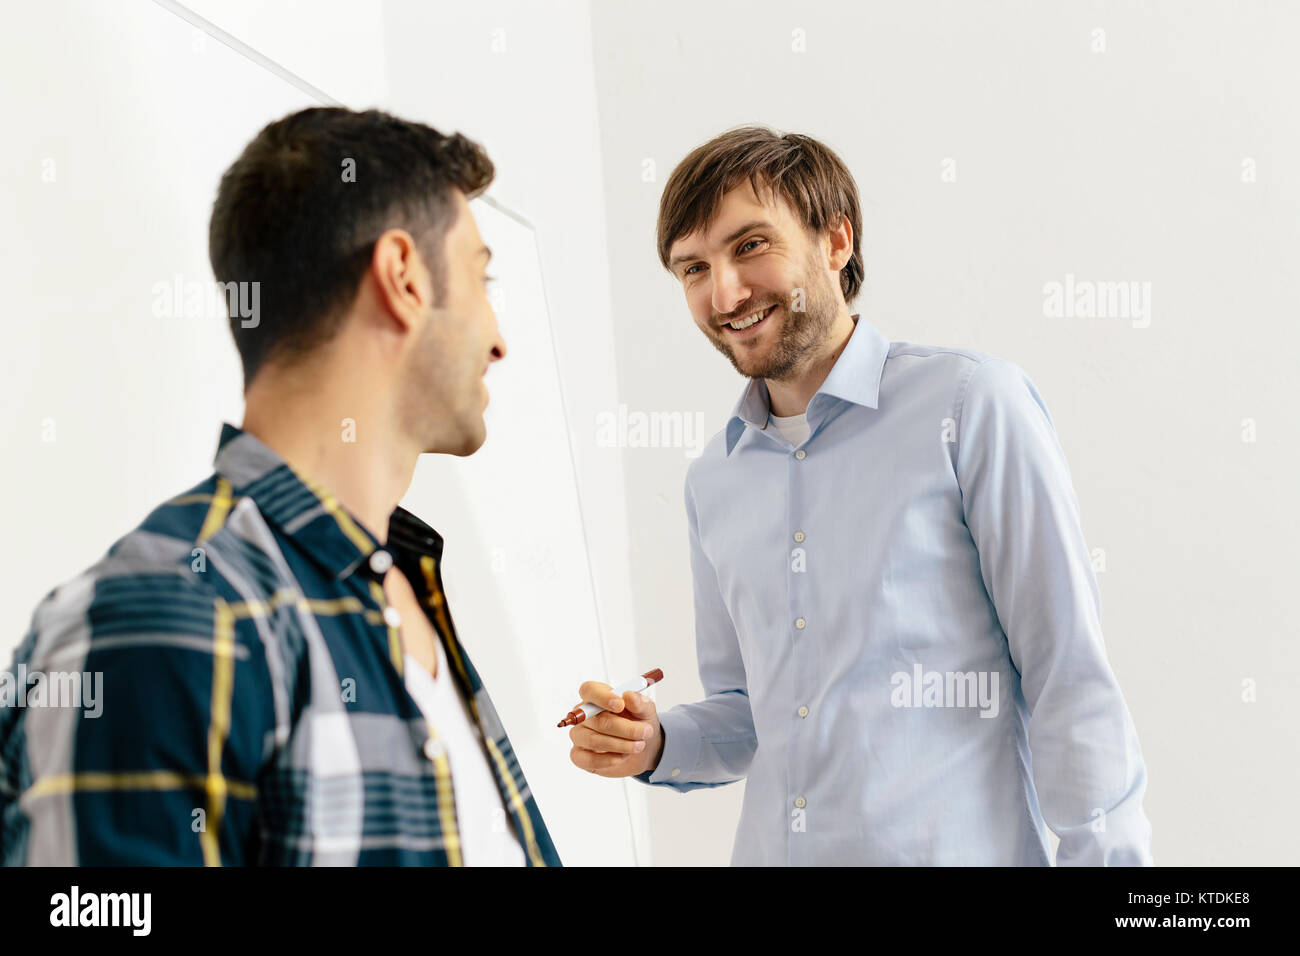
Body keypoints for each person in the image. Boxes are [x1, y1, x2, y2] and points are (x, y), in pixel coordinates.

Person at [568, 126, 1153, 866]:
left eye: (750, 246)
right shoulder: (713, 477)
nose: (725, 292)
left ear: (835, 241)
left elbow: (1066, 673)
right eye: (693, 267)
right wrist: (655, 741)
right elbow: (751, 714)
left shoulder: (971, 405)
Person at [0, 107, 559, 866]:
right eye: (480, 277)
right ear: (403, 277)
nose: (499, 337)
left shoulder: (402, 591)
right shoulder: (172, 615)